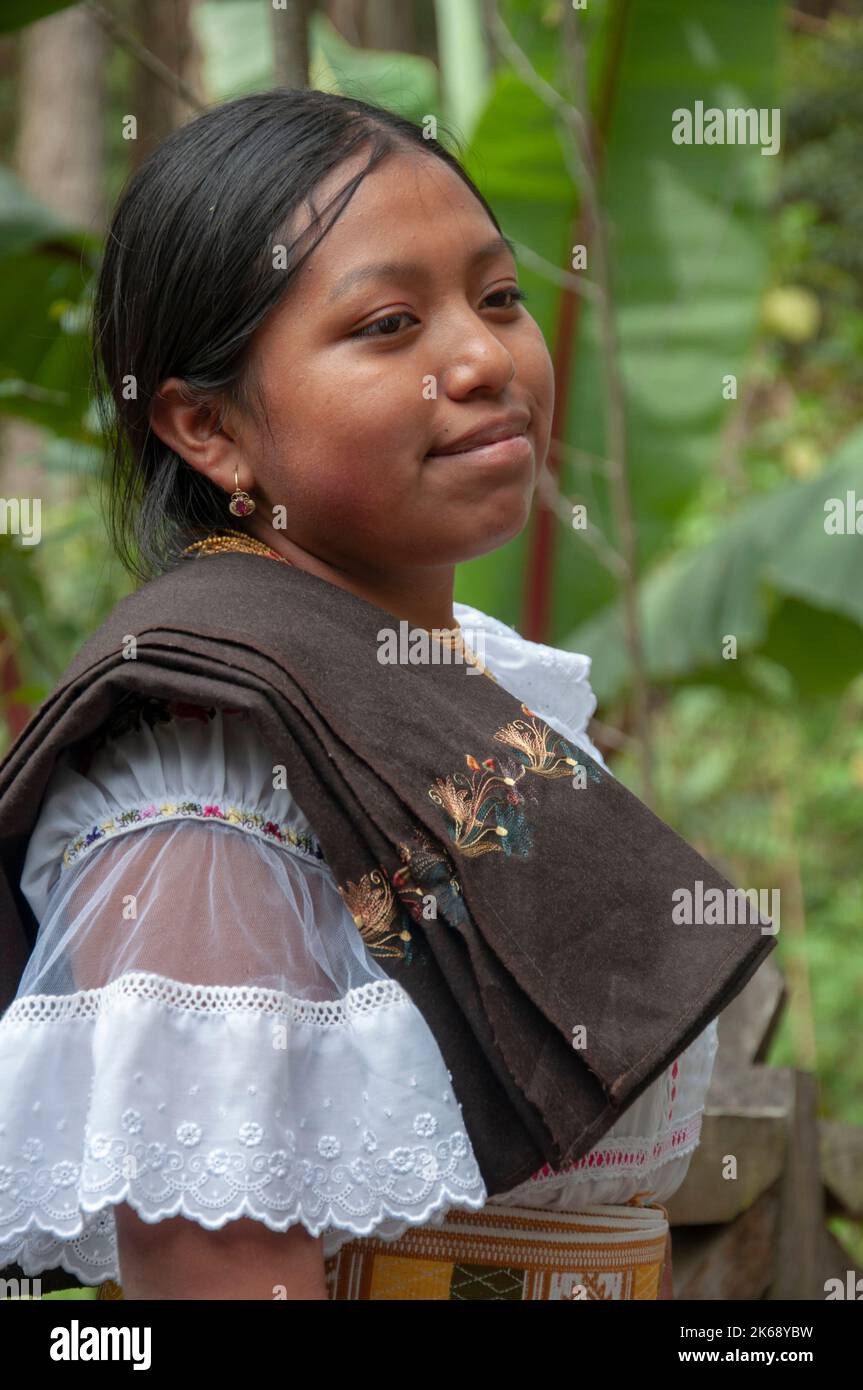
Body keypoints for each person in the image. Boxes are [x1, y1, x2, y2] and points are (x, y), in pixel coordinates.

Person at [0, 90, 741, 1302]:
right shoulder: (211, 772)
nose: (484, 358)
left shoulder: (481, 683)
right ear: (207, 426)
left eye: (497, 298)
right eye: (389, 323)